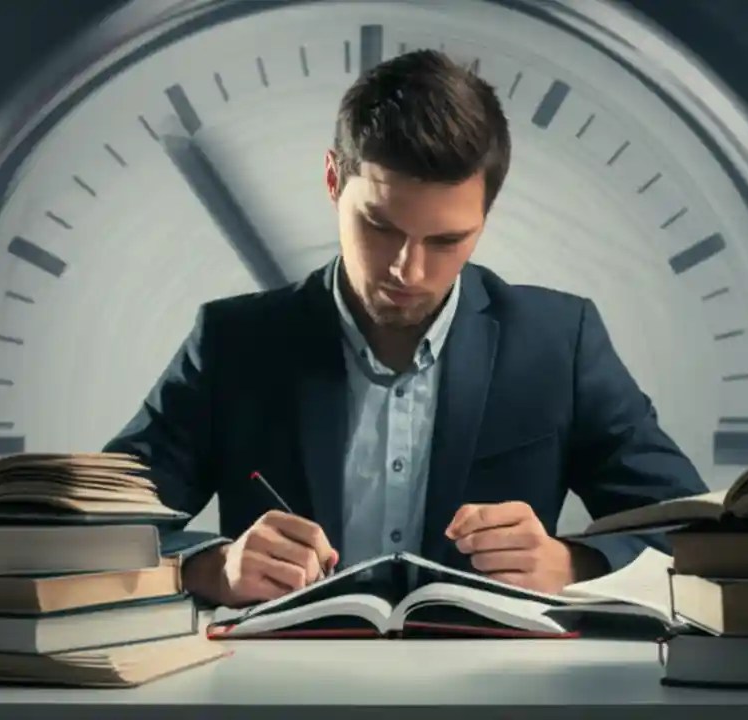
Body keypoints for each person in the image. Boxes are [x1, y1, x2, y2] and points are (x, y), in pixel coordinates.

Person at [104, 49, 708, 609]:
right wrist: (211, 567)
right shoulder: (231, 342)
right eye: (381, 227)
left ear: (485, 215)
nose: (407, 270)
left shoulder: (560, 341)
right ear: (333, 180)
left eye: (447, 241)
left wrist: (574, 563)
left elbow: (692, 535)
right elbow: (99, 531)